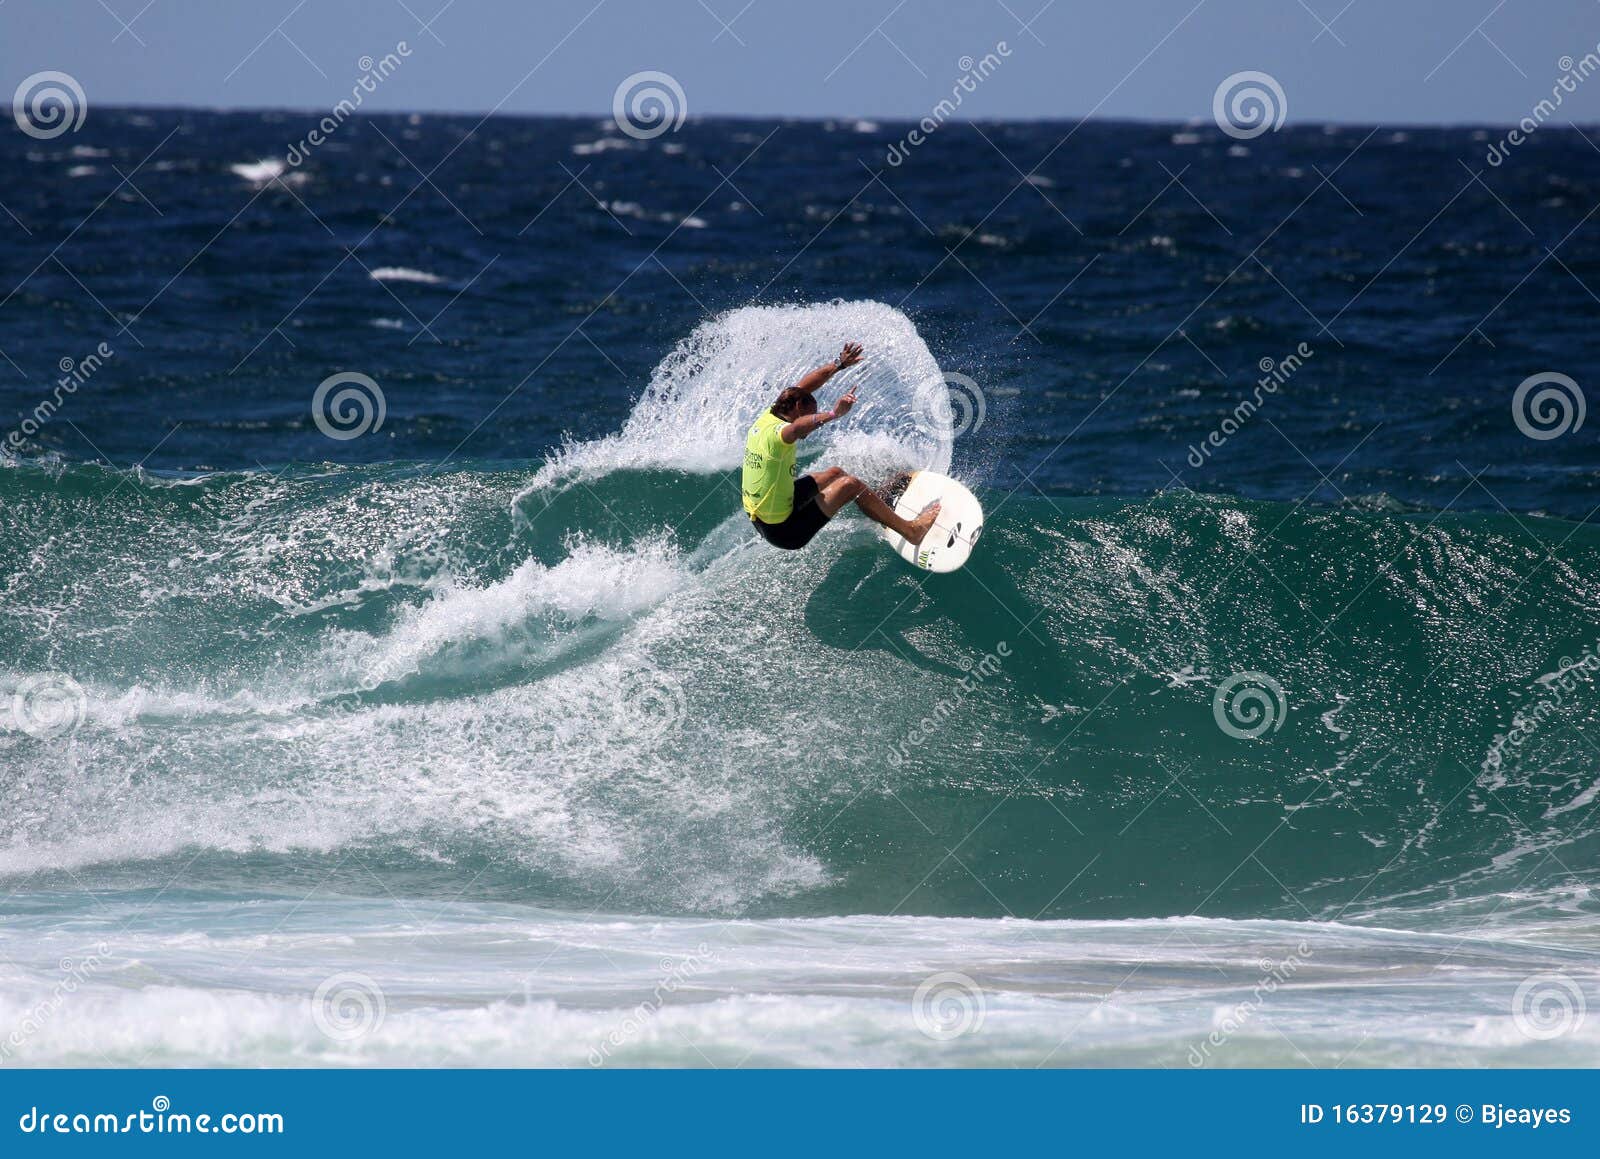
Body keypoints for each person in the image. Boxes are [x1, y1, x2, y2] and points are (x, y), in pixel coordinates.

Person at [741, 342, 940, 551]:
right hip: (785, 531)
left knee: (836, 474)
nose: (811, 428)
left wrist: (839, 365)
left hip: (763, 513)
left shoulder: (769, 416)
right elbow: (798, 427)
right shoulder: (779, 434)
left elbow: (801, 389)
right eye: (811, 413)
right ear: (798, 408)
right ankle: (912, 532)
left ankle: (879, 507)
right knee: (849, 484)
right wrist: (833, 414)